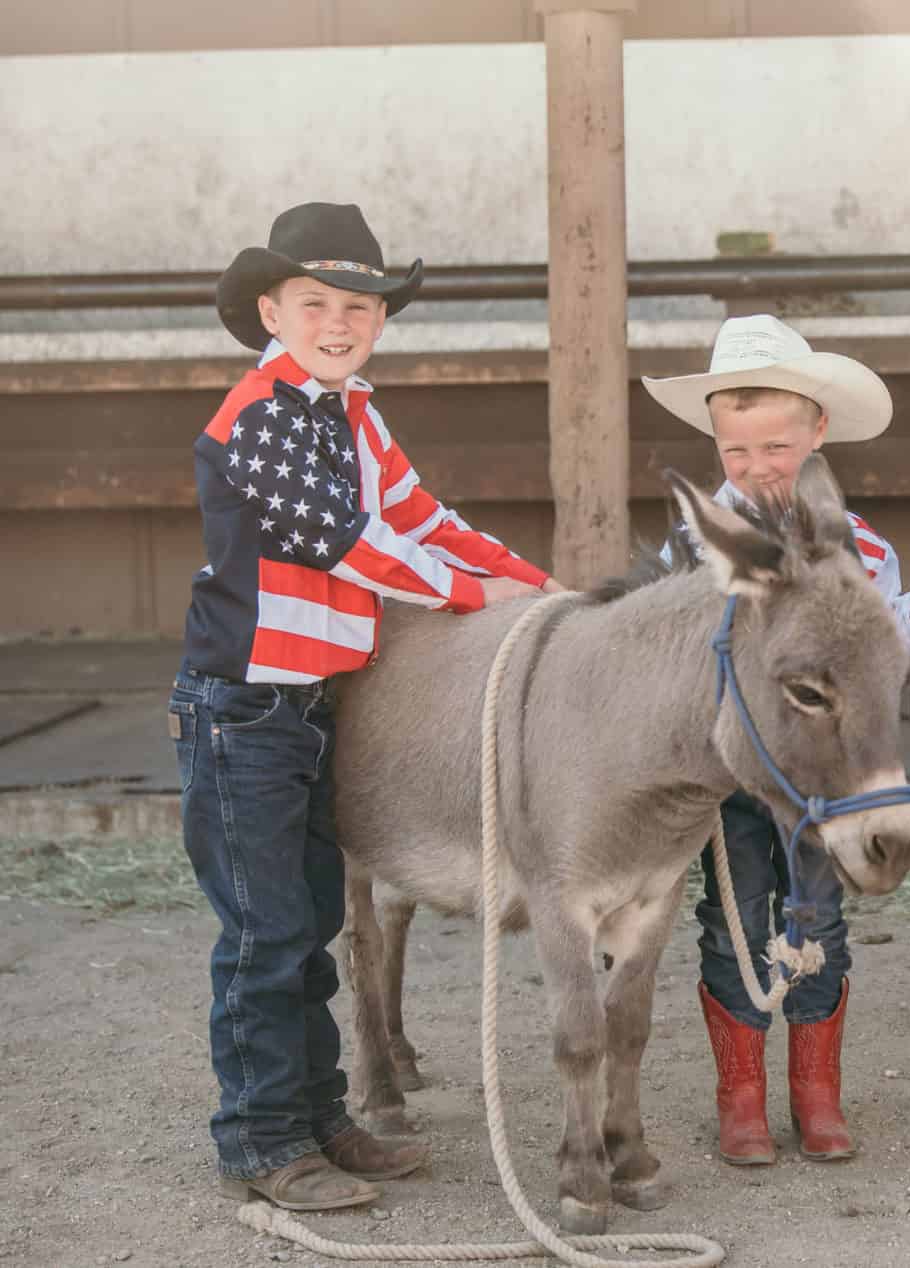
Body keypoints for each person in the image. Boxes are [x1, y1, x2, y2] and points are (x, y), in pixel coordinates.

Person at [172, 203, 561, 1211]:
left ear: (379, 317)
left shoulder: (356, 413)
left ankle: (319, 1115)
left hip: (311, 703)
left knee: (304, 916)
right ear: (272, 307)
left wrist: (534, 579)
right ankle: (260, 1137)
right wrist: (475, 594)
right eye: (315, 302)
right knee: (265, 932)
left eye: (358, 304)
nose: (338, 321)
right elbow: (342, 539)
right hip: (243, 702)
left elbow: (422, 515)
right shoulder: (257, 414)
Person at [642, 314, 910, 1166]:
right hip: (736, 774)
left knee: (817, 917)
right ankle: (741, 1099)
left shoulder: (859, 548)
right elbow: (664, 654)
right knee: (730, 921)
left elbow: (884, 641)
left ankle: (816, 1094)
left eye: (776, 448)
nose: (758, 468)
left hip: (826, 783)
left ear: (815, 433)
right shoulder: (693, 546)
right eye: (738, 453)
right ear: (716, 446)